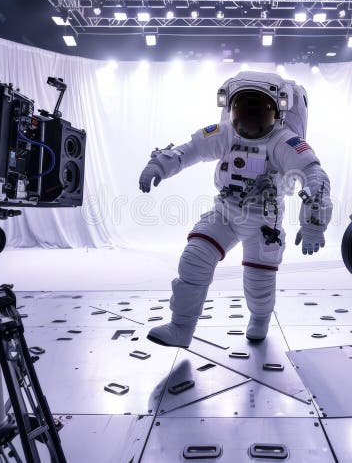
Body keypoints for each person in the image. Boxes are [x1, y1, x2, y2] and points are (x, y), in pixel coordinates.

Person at [138, 71, 332, 347]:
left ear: (277, 112)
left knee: (259, 280)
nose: (249, 118)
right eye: (242, 108)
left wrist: (313, 222)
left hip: (264, 218)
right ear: (230, 108)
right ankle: (181, 328)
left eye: (259, 109)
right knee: (194, 258)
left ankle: (260, 318)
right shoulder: (225, 133)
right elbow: (190, 150)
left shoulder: (284, 141)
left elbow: (313, 175)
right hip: (226, 209)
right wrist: (159, 165)